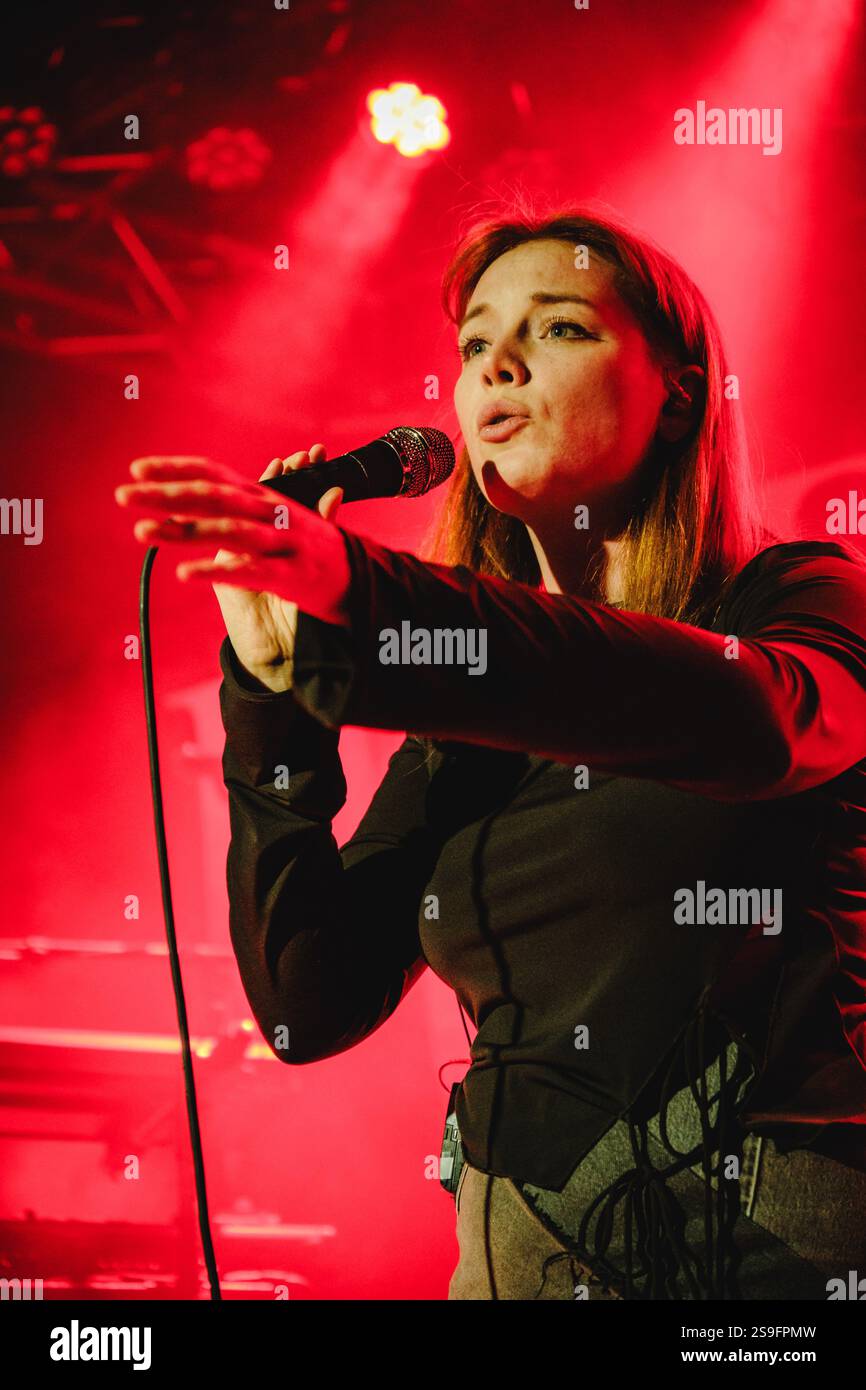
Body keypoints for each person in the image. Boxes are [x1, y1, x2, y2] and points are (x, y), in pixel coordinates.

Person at [114, 205, 866, 1301]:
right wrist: (273, 697)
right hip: (517, 1245)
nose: (495, 363)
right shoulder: (462, 726)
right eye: (472, 344)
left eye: (556, 327)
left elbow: (747, 722)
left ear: (678, 397)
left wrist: (363, 595)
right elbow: (307, 1006)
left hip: (773, 1242)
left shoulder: (796, 601)